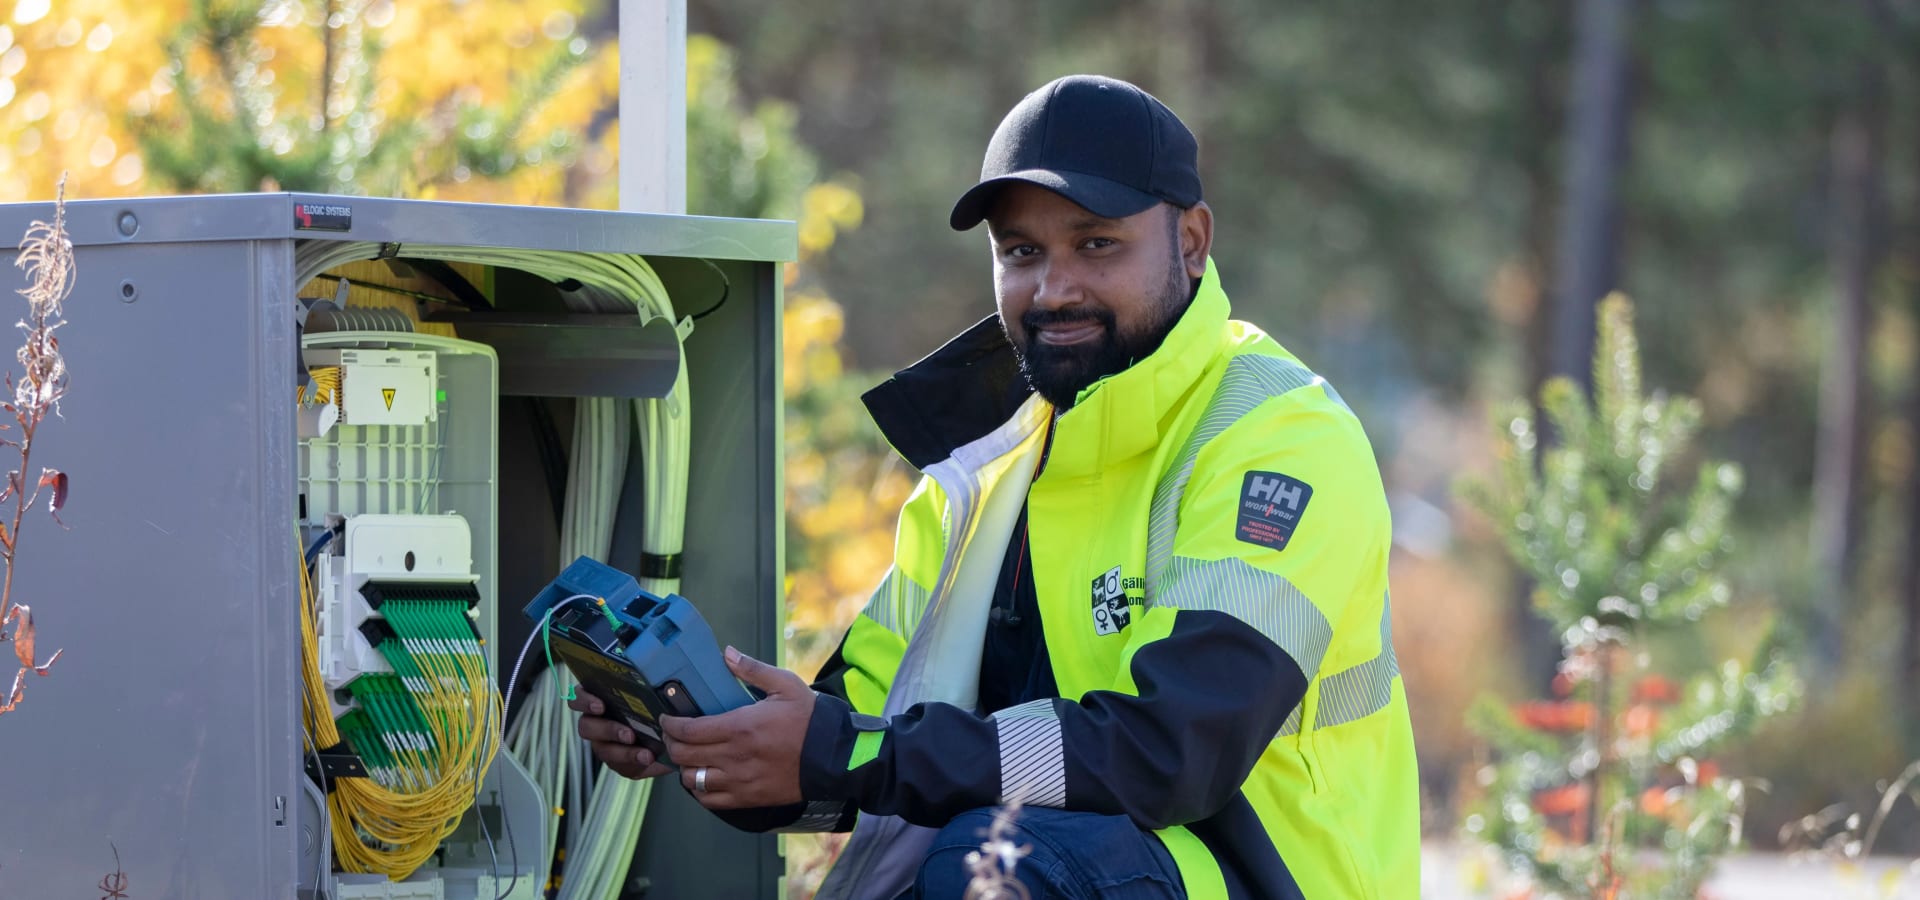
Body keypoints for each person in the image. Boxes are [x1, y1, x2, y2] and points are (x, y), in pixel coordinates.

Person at [572, 74, 1420, 899]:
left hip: (1262, 878)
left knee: (999, 857)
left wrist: (847, 750)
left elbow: (1171, 752)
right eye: (1021, 252)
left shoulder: (1278, 438)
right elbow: (867, 741)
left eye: (1096, 243)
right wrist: (716, 736)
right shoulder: (983, 475)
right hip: (1035, 869)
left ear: (1191, 241)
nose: (1054, 288)